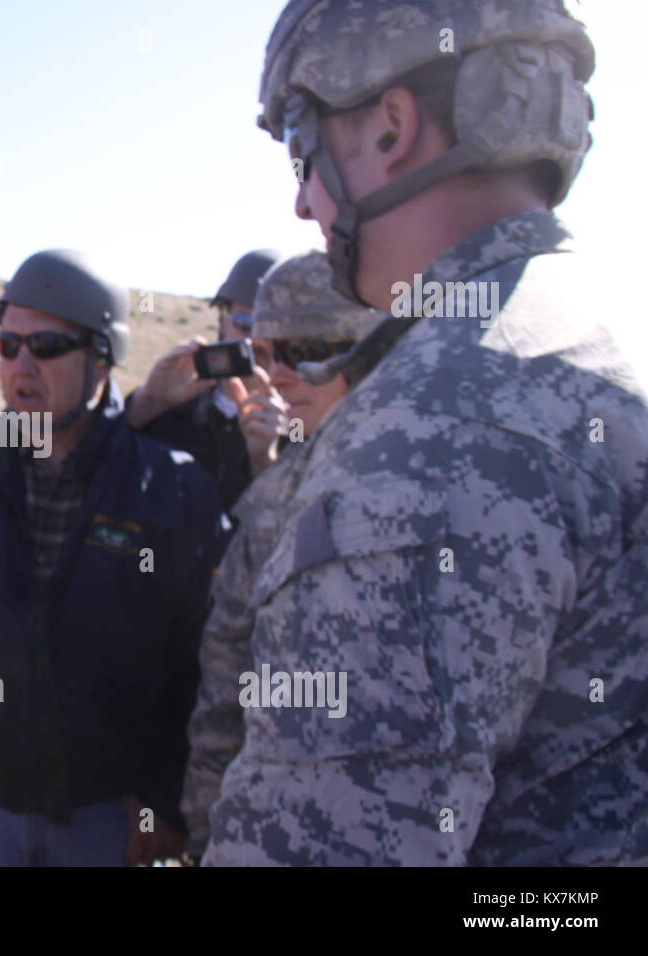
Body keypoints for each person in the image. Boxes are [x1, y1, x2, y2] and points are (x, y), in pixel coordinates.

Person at [201, 0, 648, 865]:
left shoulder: (427, 427)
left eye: (303, 151)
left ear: (392, 126)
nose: (302, 204)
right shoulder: (607, 335)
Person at [0, 249, 229, 866]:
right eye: (8, 347)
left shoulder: (171, 492)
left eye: (47, 346)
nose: (22, 367)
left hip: (105, 824)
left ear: (101, 357)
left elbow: (206, 658)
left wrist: (166, 801)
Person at [178, 251, 385, 852]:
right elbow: (224, 690)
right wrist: (203, 835)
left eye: (305, 352)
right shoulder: (270, 502)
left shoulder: (431, 488)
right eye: (265, 356)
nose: (279, 377)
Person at [125, 249, 282, 509]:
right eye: (245, 323)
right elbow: (100, 473)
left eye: (270, 327)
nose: (255, 340)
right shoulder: (170, 411)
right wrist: (147, 403)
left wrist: (265, 461)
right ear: (223, 322)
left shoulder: (298, 423)